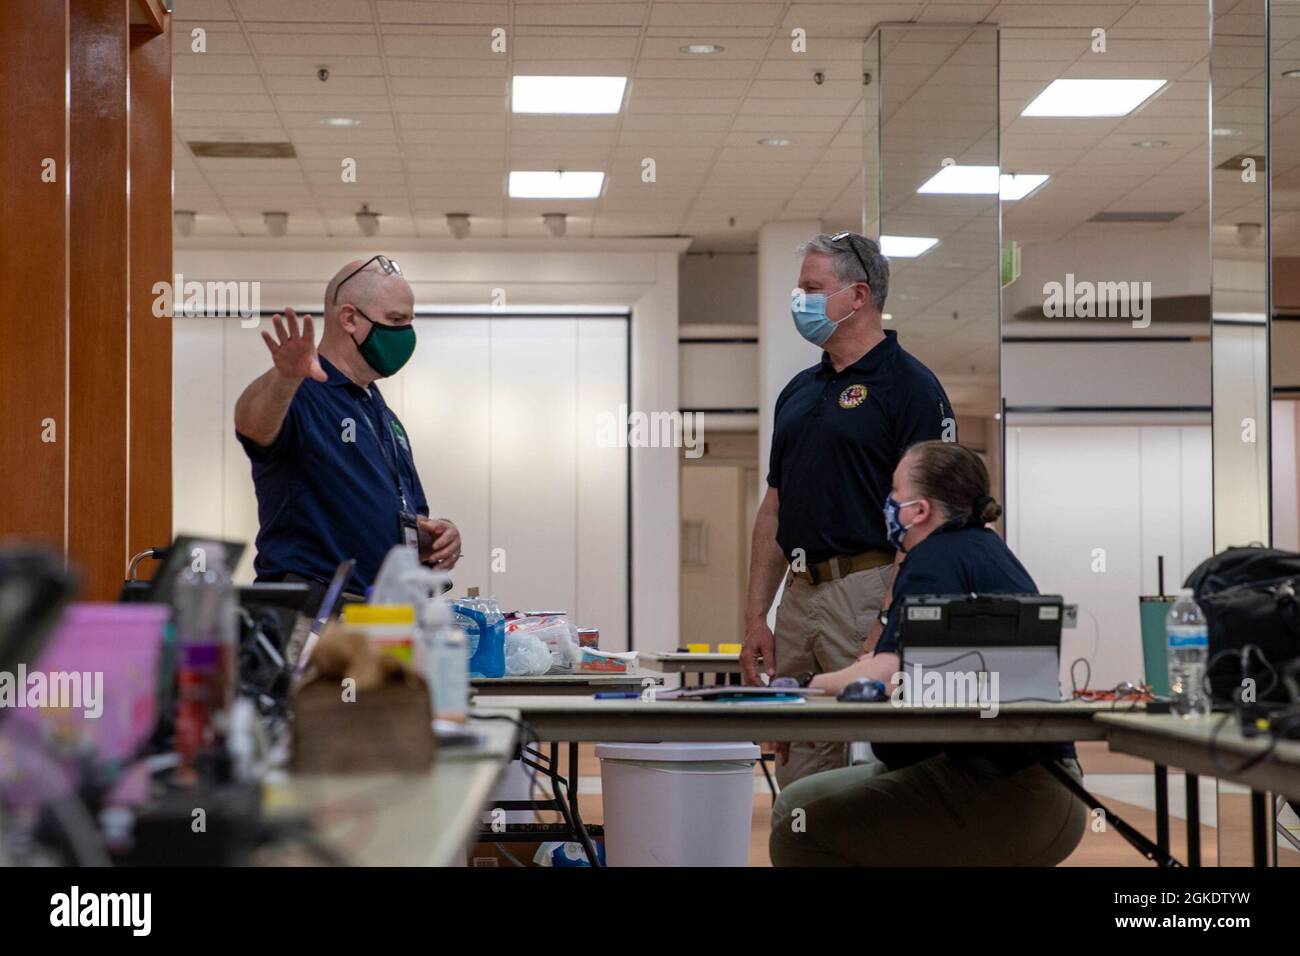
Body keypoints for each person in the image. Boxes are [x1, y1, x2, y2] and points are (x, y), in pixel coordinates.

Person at [769, 440, 1087, 866]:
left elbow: (882, 674)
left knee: (798, 829)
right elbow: (914, 668)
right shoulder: (982, 549)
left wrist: (798, 691)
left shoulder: (935, 557)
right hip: (1036, 783)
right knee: (798, 799)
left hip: (1013, 791)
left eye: (895, 493)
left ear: (919, 511)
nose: (887, 504)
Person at [742, 232, 955, 786]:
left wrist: (888, 617)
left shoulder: (910, 387)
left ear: (857, 296)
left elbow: (929, 520)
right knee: (797, 754)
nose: (800, 300)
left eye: (812, 288)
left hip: (867, 588)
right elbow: (775, 506)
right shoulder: (800, 391)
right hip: (800, 592)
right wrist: (754, 618)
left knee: (865, 756)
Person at [233, 256, 461, 595]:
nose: (406, 334)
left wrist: (440, 536)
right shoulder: (303, 393)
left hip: (380, 615)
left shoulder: (382, 414)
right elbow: (252, 424)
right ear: (350, 318)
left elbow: (402, 516)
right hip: (315, 615)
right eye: (395, 319)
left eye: (410, 321)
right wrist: (284, 377)